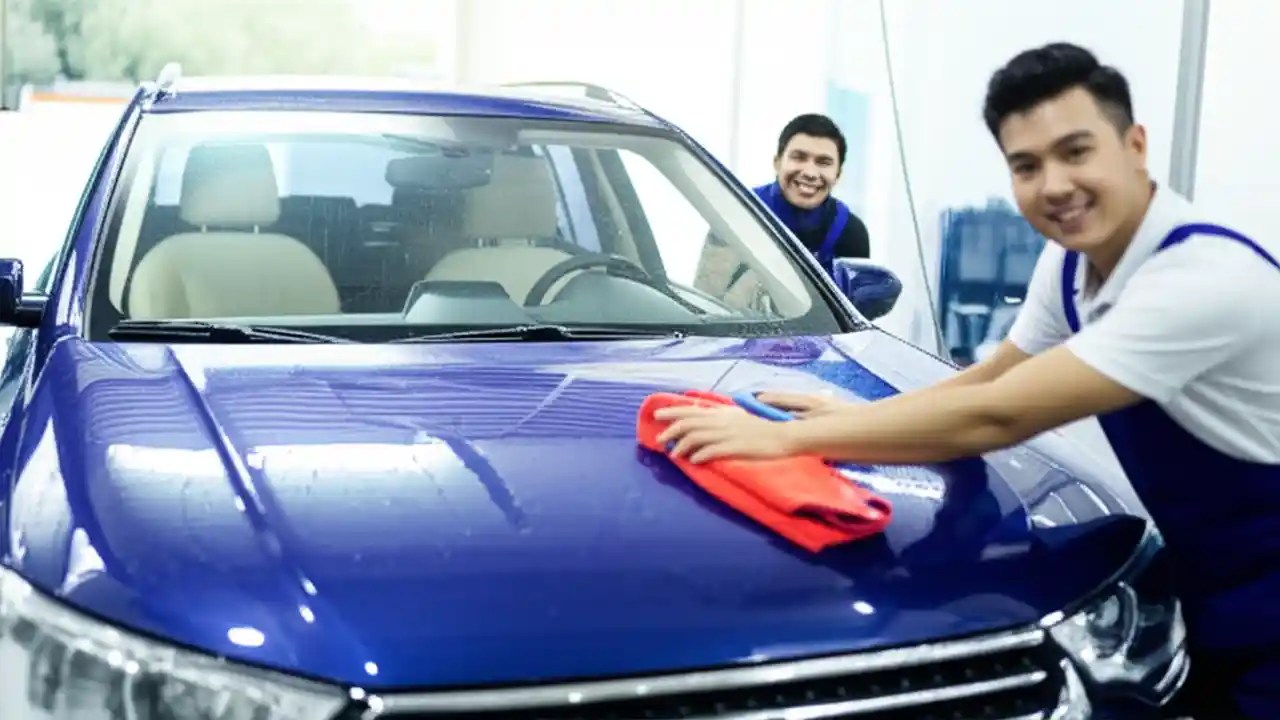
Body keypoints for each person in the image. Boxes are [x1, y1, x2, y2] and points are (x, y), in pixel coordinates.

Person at [656, 42, 1280, 719]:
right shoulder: (1073, 265)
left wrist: (789, 443)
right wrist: (851, 409)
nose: (1055, 185)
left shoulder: (1200, 279)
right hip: (1215, 592)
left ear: (1134, 146)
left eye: (1077, 152)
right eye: (1027, 165)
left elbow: (999, 417)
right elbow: (989, 379)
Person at [753, 113, 871, 277]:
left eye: (823, 162)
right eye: (799, 157)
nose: (810, 173)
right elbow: (712, 285)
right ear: (777, 163)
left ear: (838, 174)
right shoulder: (746, 209)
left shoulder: (850, 231)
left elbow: (855, 301)